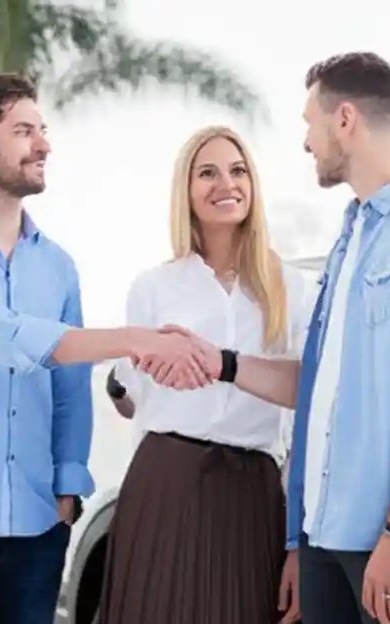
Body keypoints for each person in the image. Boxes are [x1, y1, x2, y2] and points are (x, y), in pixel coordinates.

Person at [139, 52, 390, 624]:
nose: (307, 142)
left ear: (345, 120)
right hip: (330, 537)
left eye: (311, 123)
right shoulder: (350, 237)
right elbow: (317, 388)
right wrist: (223, 363)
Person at [0, 74, 211, 624]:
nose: (44, 144)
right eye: (23, 131)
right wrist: (133, 340)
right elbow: (4, 336)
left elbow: (67, 389)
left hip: (36, 524)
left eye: (43, 129)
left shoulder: (56, 265)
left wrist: (67, 482)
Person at [96, 125, 311, 624]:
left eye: (237, 171)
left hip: (253, 494)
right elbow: (132, 399)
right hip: (165, 483)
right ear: (186, 191)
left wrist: (298, 541)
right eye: (207, 173)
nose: (225, 184)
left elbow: (310, 403)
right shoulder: (154, 287)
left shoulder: (293, 289)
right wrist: (124, 380)